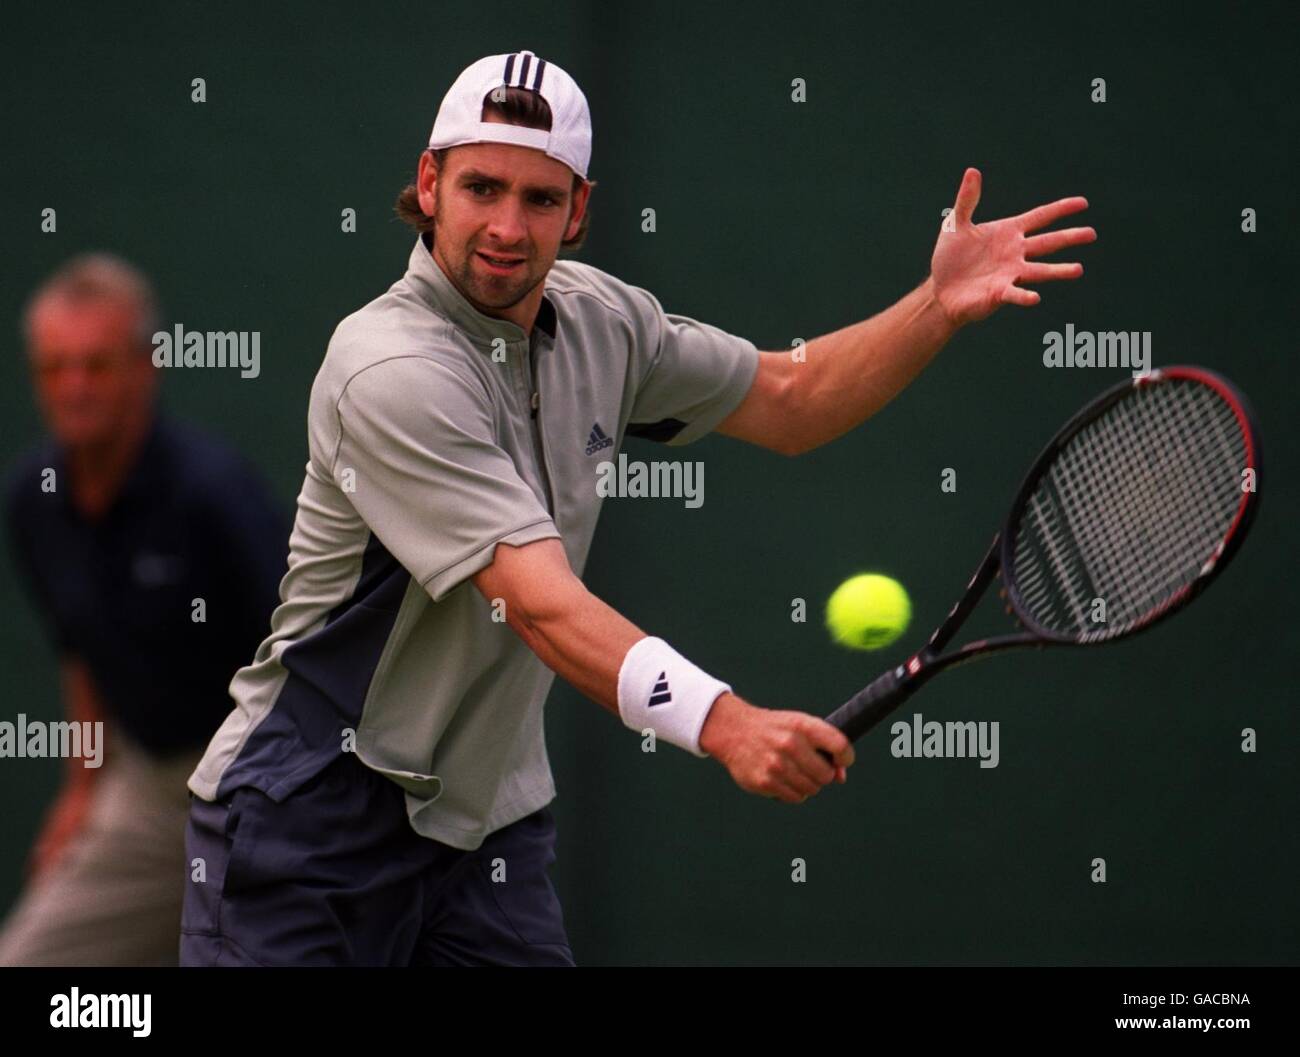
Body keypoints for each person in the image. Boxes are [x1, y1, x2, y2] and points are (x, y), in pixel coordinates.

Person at [180, 49, 1094, 967]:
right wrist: (727, 723)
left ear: (579, 209)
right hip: (309, 822)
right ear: (429, 186)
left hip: (487, 833)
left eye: (540, 199)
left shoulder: (604, 323)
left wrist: (935, 305)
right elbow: (538, 602)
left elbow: (791, 397)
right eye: (481, 187)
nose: (506, 225)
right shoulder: (391, 370)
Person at [0, 253, 287, 965]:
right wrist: (82, 789)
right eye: (54, 367)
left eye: (96, 365)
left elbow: (308, 648)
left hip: (267, 789)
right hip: (148, 788)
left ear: (144, 368)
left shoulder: (211, 493)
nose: (74, 387)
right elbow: (80, 648)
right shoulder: (31, 499)